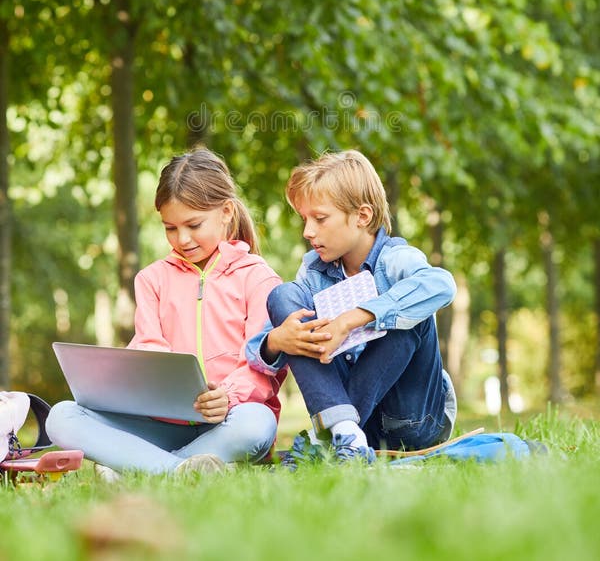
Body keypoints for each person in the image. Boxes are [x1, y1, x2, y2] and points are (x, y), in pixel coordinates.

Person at [47, 147, 286, 478]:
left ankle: (140, 465)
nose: (182, 239)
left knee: (257, 424)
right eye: (170, 228)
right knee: (61, 417)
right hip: (160, 423)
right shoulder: (151, 279)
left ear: (226, 211)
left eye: (193, 224)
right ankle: (181, 471)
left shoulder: (257, 276)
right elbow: (149, 347)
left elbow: (262, 365)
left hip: (229, 421)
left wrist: (227, 397)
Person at [246, 149, 457, 463]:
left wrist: (353, 319)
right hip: (358, 423)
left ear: (362, 216)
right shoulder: (314, 272)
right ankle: (344, 433)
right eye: (305, 219)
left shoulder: (395, 258)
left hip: (413, 420)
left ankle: (330, 439)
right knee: (282, 296)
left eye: (320, 218)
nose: (308, 231)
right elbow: (256, 351)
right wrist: (278, 341)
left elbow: (442, 285)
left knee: (406, 314)